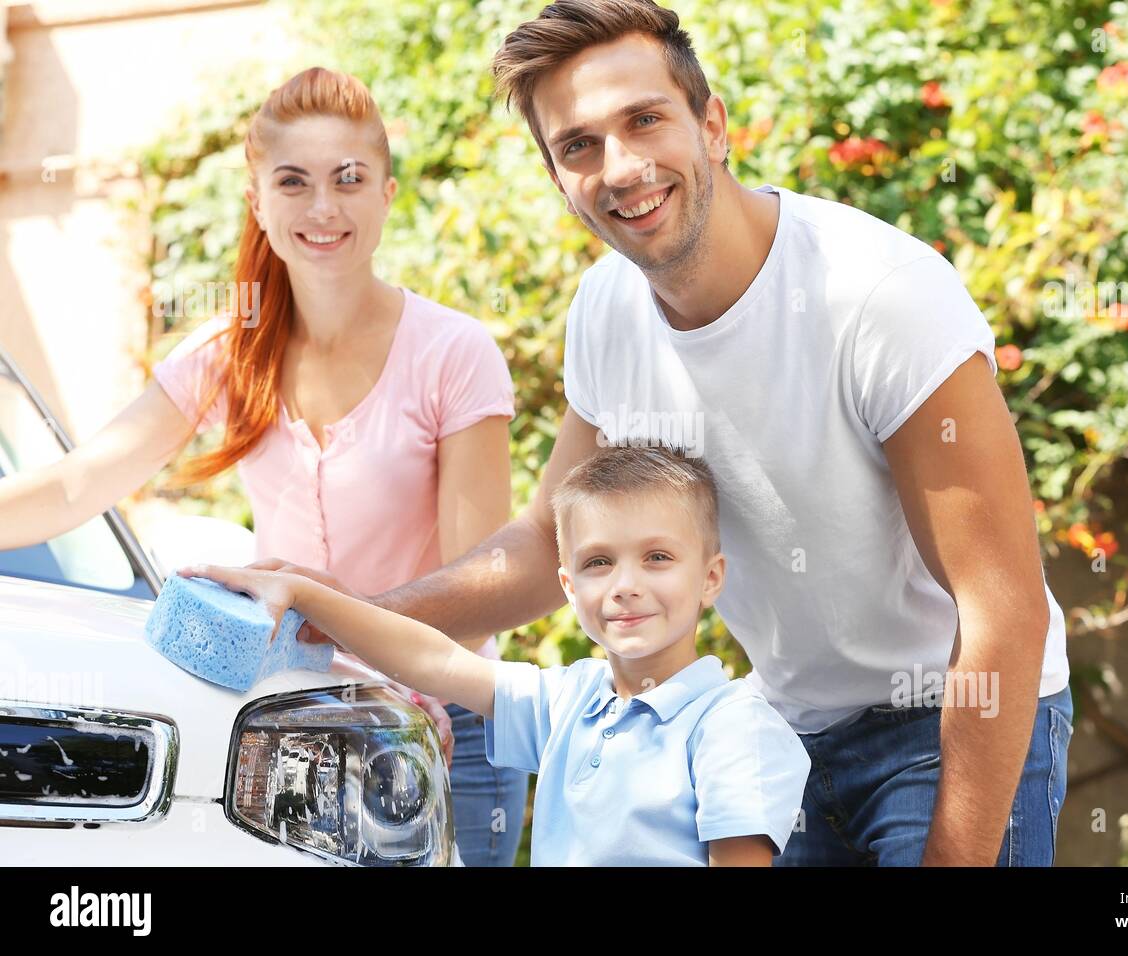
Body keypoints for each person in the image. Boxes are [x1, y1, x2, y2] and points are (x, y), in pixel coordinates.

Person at [262, 0, 1074, 865]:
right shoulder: (608, 314)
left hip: (945, 717)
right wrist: (338, 615)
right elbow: (545, 547)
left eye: (645, 120)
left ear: (713, 126)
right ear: (556, 176)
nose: (620, 167)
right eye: (577, 146)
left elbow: (1002, 610)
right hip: (785, 733)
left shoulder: (878, 296)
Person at [0, 67, 528, 867]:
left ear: (387, 191)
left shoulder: (454, 355)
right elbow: (80, 482)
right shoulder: (229, 351)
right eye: (294, 182)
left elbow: (481, 589)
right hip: (304, 726)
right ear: (258, 202)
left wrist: (359, 644)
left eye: (349, 179)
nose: (323, 208)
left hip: (451, 727)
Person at [179, 444, 811, 866]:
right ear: (568, 587)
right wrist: (304, 594)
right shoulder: (573, 700)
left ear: (711, 577)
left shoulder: (734, 726)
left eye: (658, 557)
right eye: (598, 562)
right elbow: (436, 661)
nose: (625, 584)